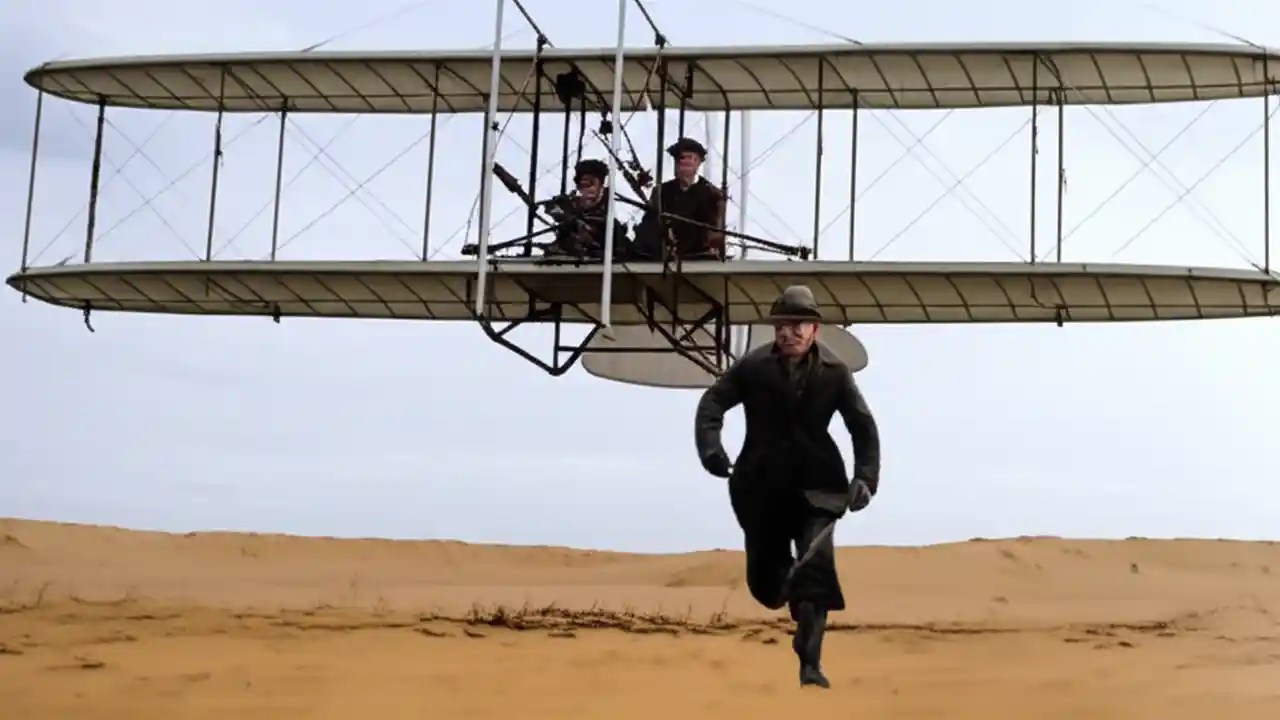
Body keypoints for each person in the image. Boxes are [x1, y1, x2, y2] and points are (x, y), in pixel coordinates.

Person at [693, 285, 881, 689]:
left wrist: (865, 478)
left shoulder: (835, 372)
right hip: (762, 487)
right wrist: (711, 450)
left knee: (815, 569)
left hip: (819, 487)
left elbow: (862, 426)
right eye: (781, 325)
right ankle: (789, 594)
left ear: (815, 329)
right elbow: (713, 403)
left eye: (798, 325)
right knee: (769, 586)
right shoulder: (752, 367)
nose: (788, 332)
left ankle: (810, 662)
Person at [632, 136, 726, 260]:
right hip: (663, 258)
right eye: (682, 158)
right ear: (676, 163)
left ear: (698, 162)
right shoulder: (661, 191)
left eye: (690, 158)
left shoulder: (712, 194)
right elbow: (649, 222)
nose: (686, 163)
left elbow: (715, 231)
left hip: (698, 258)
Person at [544, 158, 629, 259]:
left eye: (591, 184)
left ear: (602, 186)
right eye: (583, 186)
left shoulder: (611, 221)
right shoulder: (571, 205)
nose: (590, 190)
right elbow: (553, 209)